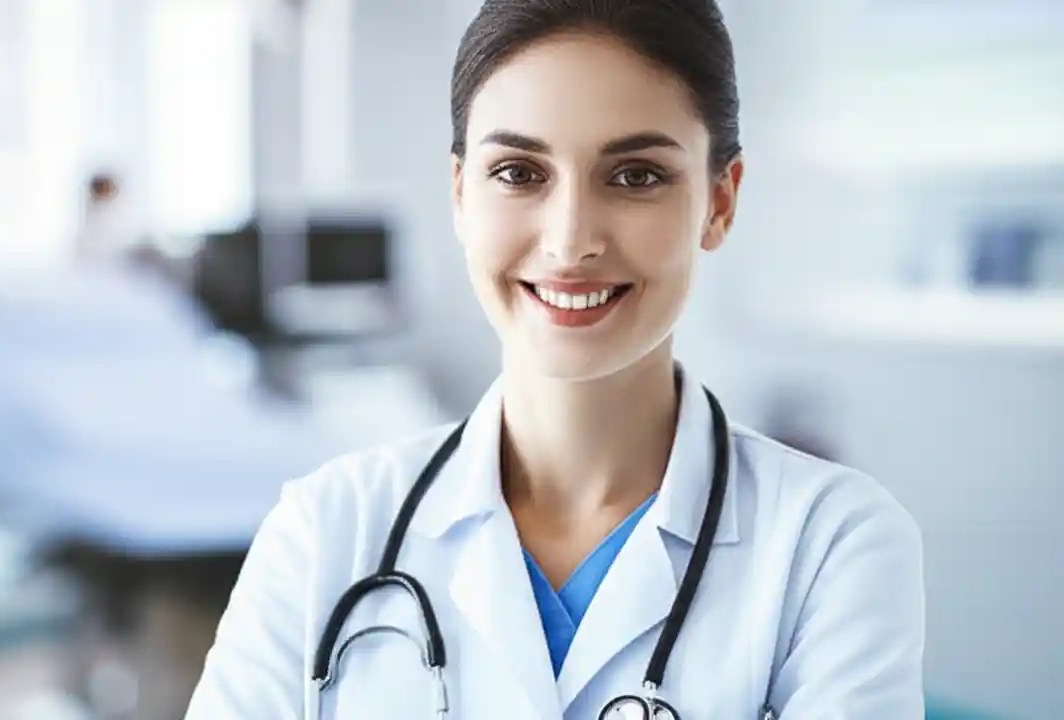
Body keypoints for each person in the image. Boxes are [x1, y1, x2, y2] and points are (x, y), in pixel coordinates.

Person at [184, 1, 925, 717]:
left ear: (719, 202)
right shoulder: (323, 533)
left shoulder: (832, 544)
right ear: (460, 195)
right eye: (518, 173)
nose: (571, 241)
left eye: (635, 175)